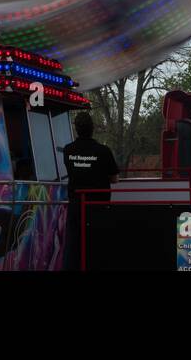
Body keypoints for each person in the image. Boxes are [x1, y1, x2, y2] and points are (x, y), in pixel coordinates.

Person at [61, 111, 118, 271]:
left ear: (76, 129)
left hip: (76, 206)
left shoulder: (68, 150)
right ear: (92, 128)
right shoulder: (103, 151)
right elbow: (114, 179)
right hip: (98, 206)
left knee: (73, 245)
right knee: (98, 244)